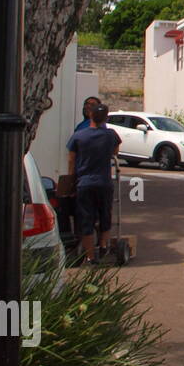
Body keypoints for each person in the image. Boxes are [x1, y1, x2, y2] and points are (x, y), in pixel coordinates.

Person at [66, 102, 122, 265]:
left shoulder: (79, 136)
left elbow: (71, 159)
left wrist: (71, 179)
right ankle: (104, 246)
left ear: (90, 115)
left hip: (84, 182)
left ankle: (90, 256)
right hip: (104, 182)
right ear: (105, 117)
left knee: (86, 218)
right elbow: (115, 151)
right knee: (105, 215)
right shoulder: (111, 135)